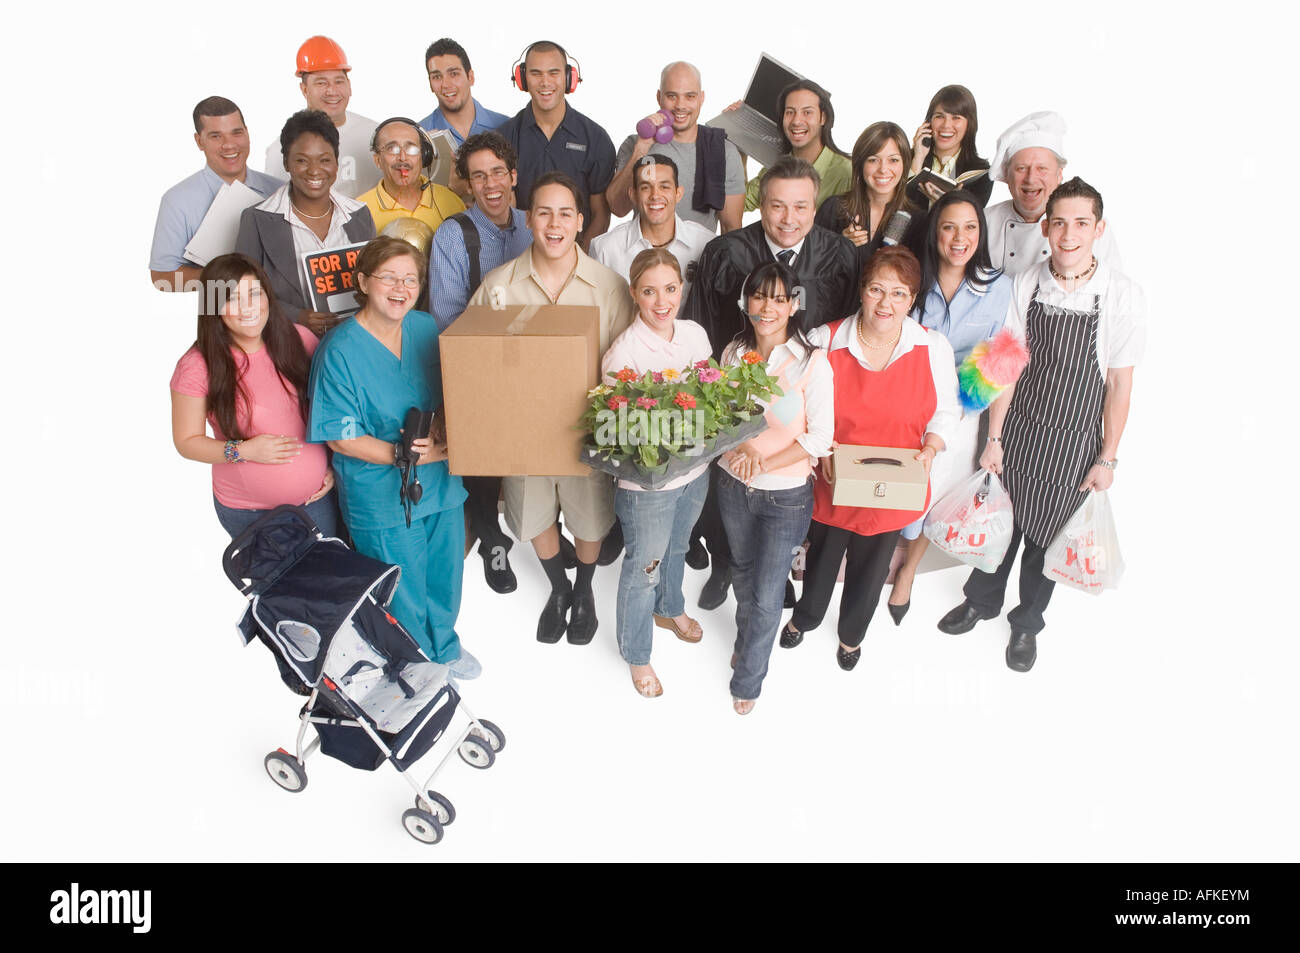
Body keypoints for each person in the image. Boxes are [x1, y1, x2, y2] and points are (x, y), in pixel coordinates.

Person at [937, 178, 1145, 673]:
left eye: (1080, 224)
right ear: (1047, 228)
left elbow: (1119, 386)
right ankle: (981, 601)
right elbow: (1007, 364)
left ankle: (1027, 622)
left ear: (1098, 229)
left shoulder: (1119, 295)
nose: (1068, 235)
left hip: (1076, 441)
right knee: (999, 523)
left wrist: (1108, 457)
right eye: (1059, 223)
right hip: (1022, 429)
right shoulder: (1029, 281)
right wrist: (995, 437)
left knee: (1047, 537)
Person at [466, 172, 635, 645]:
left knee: (589, 520)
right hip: (523, 435)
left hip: (588, 436)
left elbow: (628, 364)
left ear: (581, 221)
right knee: (536, 517)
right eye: (544, 212)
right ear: (528, 219)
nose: (554, 224)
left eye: (565, 213)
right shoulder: (500, 286)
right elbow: (473, 360)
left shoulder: (609, 286)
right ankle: (558, 589)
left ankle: (584, 591)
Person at [682, 155, 857, 609]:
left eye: (800, 207)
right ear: (762, 203)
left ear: (815, 207)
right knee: (731, 499)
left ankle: (777, 573)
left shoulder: (838, 254)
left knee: (789, 498)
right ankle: (726, 568)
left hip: (798, 400)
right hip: (736, 392)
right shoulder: (727, 252)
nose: (788, 219)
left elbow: (845, 331)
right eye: (777, 206)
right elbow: (702, 331)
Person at [308, 235, 478, 679]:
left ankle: (445, 646)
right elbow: (341, 437)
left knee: (445, 574)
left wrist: (446, 439)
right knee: (405, 590)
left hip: (439, 480)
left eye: (410, 279)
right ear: (363, 281)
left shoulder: (425, 328)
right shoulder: (340, 351)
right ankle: (416, 667)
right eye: (389, 278)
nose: (400, 288)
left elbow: (458, 389)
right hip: (382, 496)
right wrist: (407, 459)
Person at [782, 246, 959, 670]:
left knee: (871, 569)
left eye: (899, 294)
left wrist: (932, 447)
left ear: (912, 299)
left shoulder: (931, 346)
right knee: (820, 562)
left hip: (895, 482)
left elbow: (946, 411)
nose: (886, 303)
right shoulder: (825, 340)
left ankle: (851, 636)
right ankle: (805, 619)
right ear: (861, 291)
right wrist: (819, 445)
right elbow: (790, 402)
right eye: (877, 290)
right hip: (835, 478)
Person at [886, 191, 1013, 621]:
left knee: (937, 498)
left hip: (960, 415)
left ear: (982, 232)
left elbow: (1005, 362)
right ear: (935, 232)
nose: (960, 238)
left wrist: (991, 438)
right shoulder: (913, 278)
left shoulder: (999, 288)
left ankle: (908, 572)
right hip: (904, 406)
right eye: (949, 227)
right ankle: (883, 559)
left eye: (970, 227)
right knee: (899, 490)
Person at [717, 261, 833, 714]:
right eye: (759, 297)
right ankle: (747, 640)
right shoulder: (733, 352)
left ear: (794, 305)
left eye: (778, 298)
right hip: (733, 485)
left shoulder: (811, 361)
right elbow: (719, 415)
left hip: (785, 495)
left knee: (768, 593)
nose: (767, 307)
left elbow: (820, 437)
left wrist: (761, 458)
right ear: (746, 302)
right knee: (743, 575)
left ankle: (749, 677)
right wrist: (741, 448)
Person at [600, 248, 713, 698]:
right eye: (650, 291)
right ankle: (637, 654)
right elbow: (620, 434)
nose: (662, 301)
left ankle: (670, 609)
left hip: (695, 471)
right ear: (635, 294)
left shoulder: (694, 334)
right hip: (648, 486)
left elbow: (710, 393)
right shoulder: (623, 355)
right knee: (644, 567)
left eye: (670, 289)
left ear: (681, 290)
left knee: (680, 546)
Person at [428, 131, 533, 595]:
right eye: (477, 176)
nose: (490, 184)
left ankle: (541, 531)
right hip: (482, 367)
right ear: (467, 184)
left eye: (497, 173)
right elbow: (447, 318)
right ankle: (492, 540)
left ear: (514, 176)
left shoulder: (536, 223)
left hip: (537, 368)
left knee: (535, 451)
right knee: (486, 464)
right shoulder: (454, 236)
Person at [171, 253, 337, 538]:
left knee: (336, 580)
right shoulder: (197, 366)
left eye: (254, 294)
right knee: (283, 584)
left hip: (317, 500)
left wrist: (332, 464)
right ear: (213, 307)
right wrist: (244, 451)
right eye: (232, 298)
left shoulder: (300, 339)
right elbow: (187, 442)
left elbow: (330, 410)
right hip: (252, 512)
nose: (247, 308)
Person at [237, 110, 377, 336]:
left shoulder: (359, 214)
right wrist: (298, 316)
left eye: (324, 160)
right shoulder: (257, 219)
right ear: (286, 163)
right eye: (302, 160)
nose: (314, 170)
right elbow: (244, 294)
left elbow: (374, 282)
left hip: (354, 343)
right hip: (289, 345)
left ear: (336, 163)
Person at [150, 97, 283, 292]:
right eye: (216, 136)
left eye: (236, 133)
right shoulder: (177, 201)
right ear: (199, 141)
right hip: (219, 312)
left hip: (284, 312)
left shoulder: (280, 190)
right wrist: (226, 277)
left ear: (247, 134)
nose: (229, 145)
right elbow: (162, 278)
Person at [497, 40, 616, 249]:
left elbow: (601, 214)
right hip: (520, 260)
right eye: (536, 73)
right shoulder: (503, 138)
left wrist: (580, 262)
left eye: (553, 73)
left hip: (577, 261)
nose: (545, 82)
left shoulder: (596, 139)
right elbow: (504, 212)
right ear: (523, 78)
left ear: (569, 78)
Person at [605, 61, 745, 233]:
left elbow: (731, 228)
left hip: (701, 258)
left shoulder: (723, 151)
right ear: (659, 97)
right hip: (644, 257)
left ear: (701, 98)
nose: (680, 105)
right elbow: (617, 208)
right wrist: (642, 148)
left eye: (690, 96)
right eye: (672, 96)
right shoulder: (635, 144)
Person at [984, 111, 1121, 277]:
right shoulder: (984, 221)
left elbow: (1109, 291)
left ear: (1059, 175)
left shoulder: (1089, 225)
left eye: (1042, 168)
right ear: (1007, 175)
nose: (1030, 178)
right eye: (1021, 168)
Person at [265, 36, 379, 199]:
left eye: (339, 81)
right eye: (321, 83)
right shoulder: (283, 149)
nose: (332, 91)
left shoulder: (375, 135)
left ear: (349, 86)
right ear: (304, 90)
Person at [590, 155, 715, 296]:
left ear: (678, 193)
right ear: (633, 195)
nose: (655, 195)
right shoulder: (605, 249)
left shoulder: (707, 244)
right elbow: (597, 311)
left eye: (664, 187)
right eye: (645, 187)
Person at [814, 122, 924, 278]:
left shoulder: (917, 220)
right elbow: (809, 270)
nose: (883, 169)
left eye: (893, 160)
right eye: (873, 160)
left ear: (905, 163)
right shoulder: (834, 209)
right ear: (860, 164)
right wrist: (839, 246)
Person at [738, 80, 851, 212]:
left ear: (823, 118)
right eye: (790, 112)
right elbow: (739, 204)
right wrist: (740, 147)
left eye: (807, 112)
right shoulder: (779, 164)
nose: (796, 121)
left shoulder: (847, 173)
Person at [357, 117, 465, 234]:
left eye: (412, 149)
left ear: (424, 157)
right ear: (377, 160)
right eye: (392, 148)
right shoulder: (358, 212)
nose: (403, 157)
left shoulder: (452, 201)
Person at [905, 85, 993, 209]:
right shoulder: (903, 159)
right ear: (929, 121)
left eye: (956, 117)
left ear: (969, 124)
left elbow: (972, 222)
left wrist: (946, 204)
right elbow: (899, 209)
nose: (946, 125)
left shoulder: (981, 173)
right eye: (939, 116)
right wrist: (918, 158)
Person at [419, 38, 509, 145]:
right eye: (437, 76)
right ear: (430, 84)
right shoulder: (419, 136)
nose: (446, 84)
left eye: (454, 74)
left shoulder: (507, 127)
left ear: (470, 77)